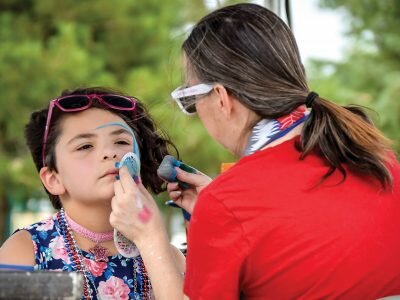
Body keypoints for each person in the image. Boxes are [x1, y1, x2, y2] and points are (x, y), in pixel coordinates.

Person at [116, 3, 400, 299]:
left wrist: (149, 236)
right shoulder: (377, 160)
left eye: (190, 99)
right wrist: (220, 221)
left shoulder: (229, 201)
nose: (196, 112)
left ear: (221, 98)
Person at [0, 87, 185, 299]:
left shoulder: (167, 256)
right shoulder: (26, 252)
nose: (110, 152)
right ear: (54, 179)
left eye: (121, 142)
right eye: (85, 146)